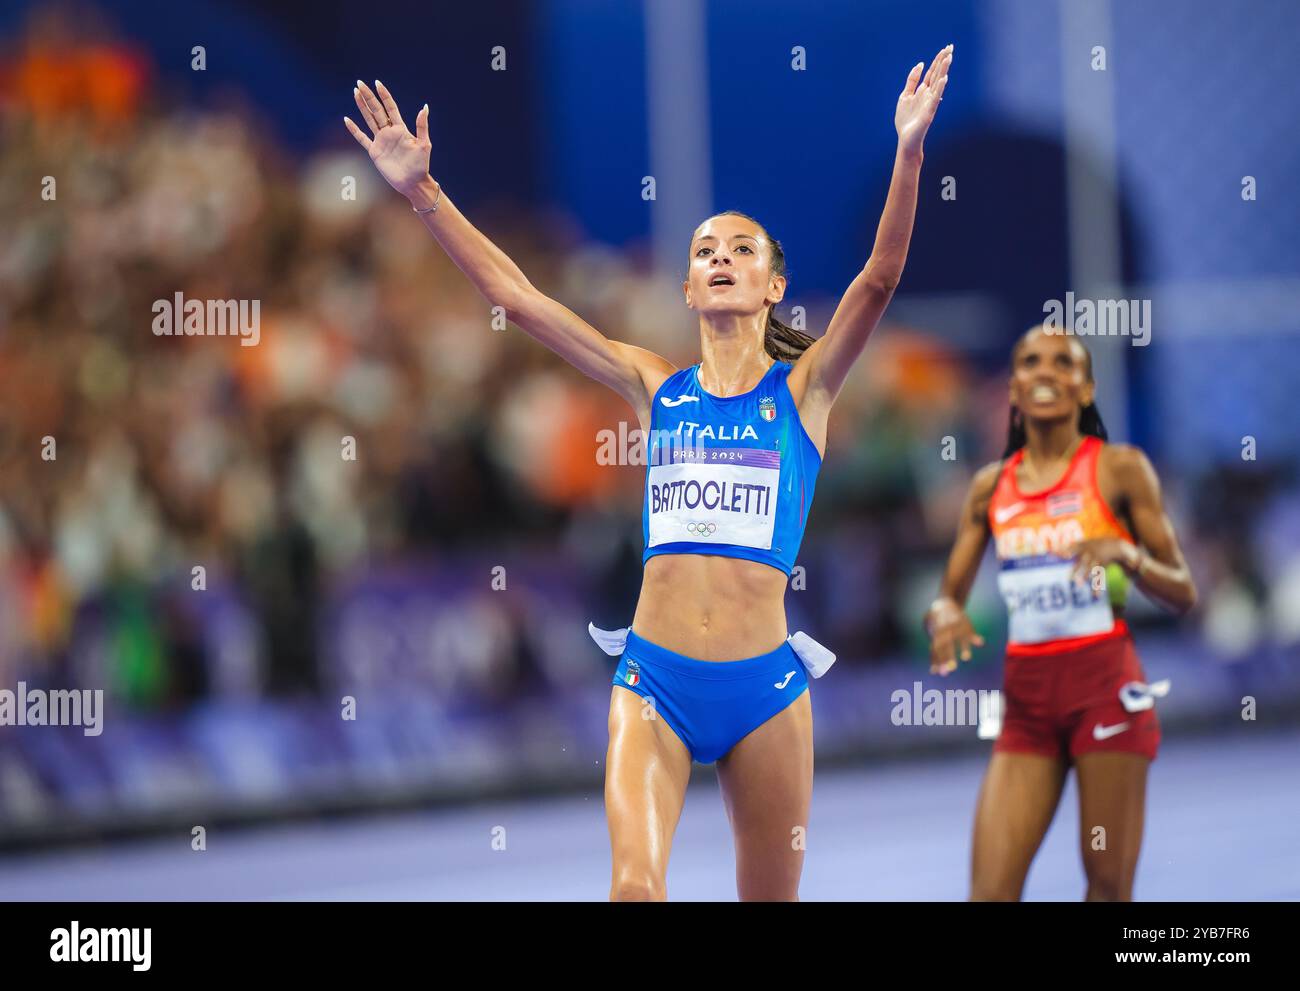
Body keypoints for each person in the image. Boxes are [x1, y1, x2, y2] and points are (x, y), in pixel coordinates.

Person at [344, 44, 952, 901]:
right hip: (654, 681)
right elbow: (518, 300)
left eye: (743, 249)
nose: (722, 257)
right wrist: (423, 193)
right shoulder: (651, 384)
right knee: (633, 888)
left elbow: (880, 279)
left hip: (766, 690)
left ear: (774, 284)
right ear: (689, 285)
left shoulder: (806, 392)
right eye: (708, 249)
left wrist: (910, 150)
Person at [924, 325, 1197, 901]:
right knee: (989, 892)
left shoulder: (1120, 470)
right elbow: (949, 594)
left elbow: (1183, 591)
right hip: (1027, 707)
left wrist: (1126, 554)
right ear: (1014, 390)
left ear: (1087, 387)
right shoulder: (989, 488)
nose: (1045, 371)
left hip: (1106, 695)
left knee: (1105, 887)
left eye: (1062, 362)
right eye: (1029, 362)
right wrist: (944, 615)